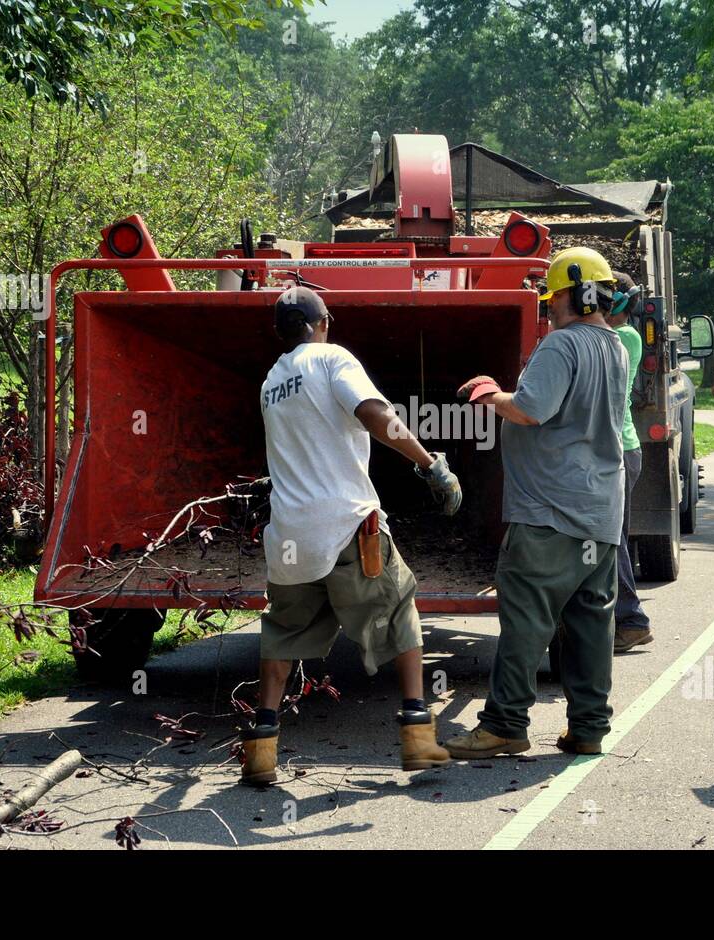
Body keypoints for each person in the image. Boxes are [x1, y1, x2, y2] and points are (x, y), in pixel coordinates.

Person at [241, 286, 463, 787]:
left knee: (282, 632)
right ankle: (417, 735)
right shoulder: (332, 357)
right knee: (401, 606)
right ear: (326, 322)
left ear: (281, 332)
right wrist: (430, 465)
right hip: (346, 525)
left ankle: (260, 747)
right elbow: (374, 415)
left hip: (289, 536)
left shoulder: (271, 380)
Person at [445, 247, 627, 759]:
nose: (548, 304)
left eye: (553, 294)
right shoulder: (613, 346)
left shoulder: (561, 346)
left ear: (573, 293)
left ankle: (505, 724)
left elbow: (530, 410)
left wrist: (490, 393)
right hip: (599, 511)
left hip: (549, 510)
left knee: (526, 618)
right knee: (591, 622)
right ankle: (588, 728)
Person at [605, 272, 654, 651]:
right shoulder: (615, 335)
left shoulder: (623, 337)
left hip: (619, 449)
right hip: (622, 449)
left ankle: (631, 618)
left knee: (611, 539)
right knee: (610, 537)